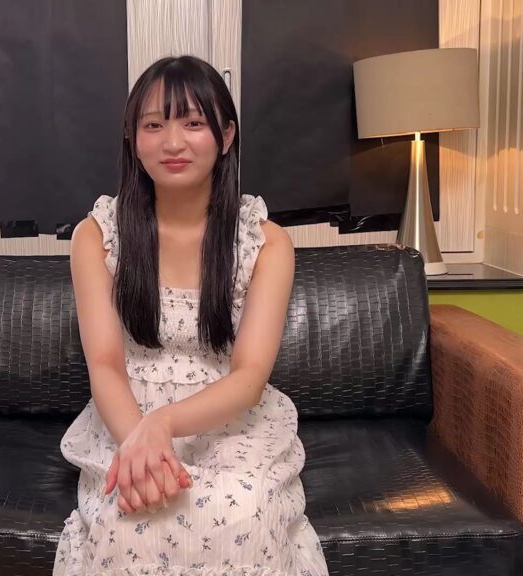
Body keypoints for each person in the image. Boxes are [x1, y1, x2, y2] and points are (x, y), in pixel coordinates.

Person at [54, 55, 328, 575]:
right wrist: (140, 441)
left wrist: (162, 424)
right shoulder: (98, 235)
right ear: (132, 138)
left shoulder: (264, 241)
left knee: (242, 512)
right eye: (154, 125)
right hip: (125, 413)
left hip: (228, 417)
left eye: (193, 123)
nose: (173, 142)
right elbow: (105, 364)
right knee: (126, 518)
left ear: (226, 136)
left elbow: (249, 377)